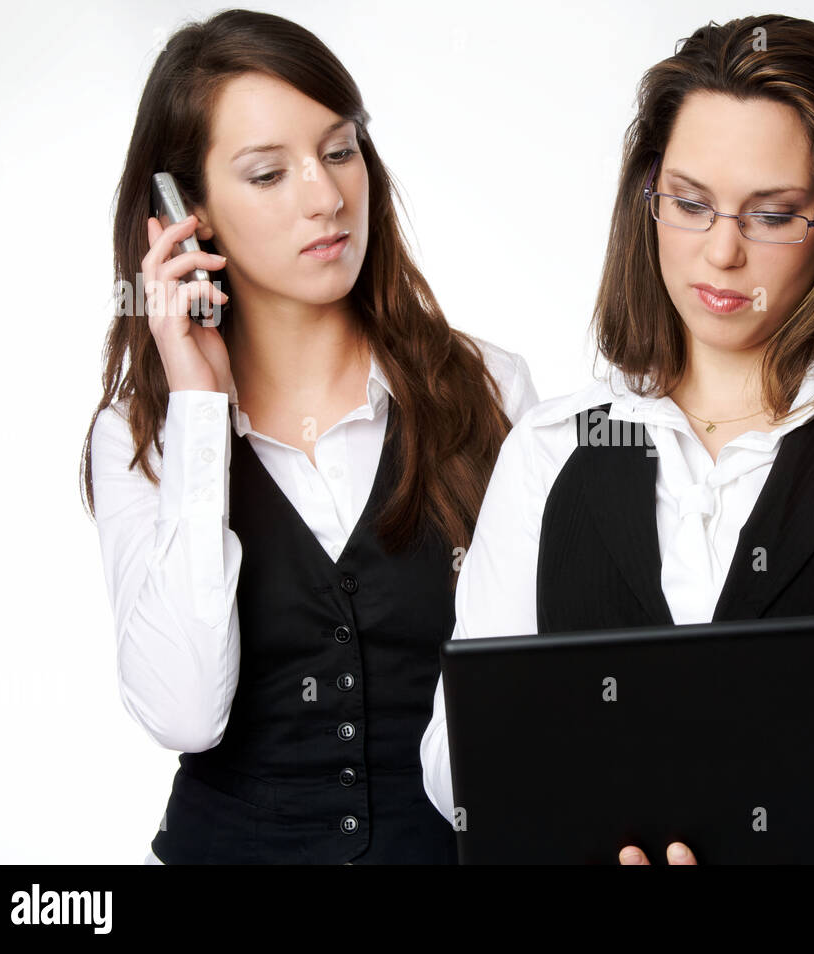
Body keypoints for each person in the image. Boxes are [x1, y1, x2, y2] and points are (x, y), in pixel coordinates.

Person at [419, 13, 814, 865]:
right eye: (690, 204)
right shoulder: (553, 448)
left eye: (772, 214)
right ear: (648, 198)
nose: (722, 253)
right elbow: (459, 765)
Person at [81, 9, 538, 864]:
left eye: (339, 151)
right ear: (186, 212)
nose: (326, 198)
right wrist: (200, 412)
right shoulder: (141, 438)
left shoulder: (489, 388)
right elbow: (184, 713)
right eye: (267, 174)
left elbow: (522, 701)